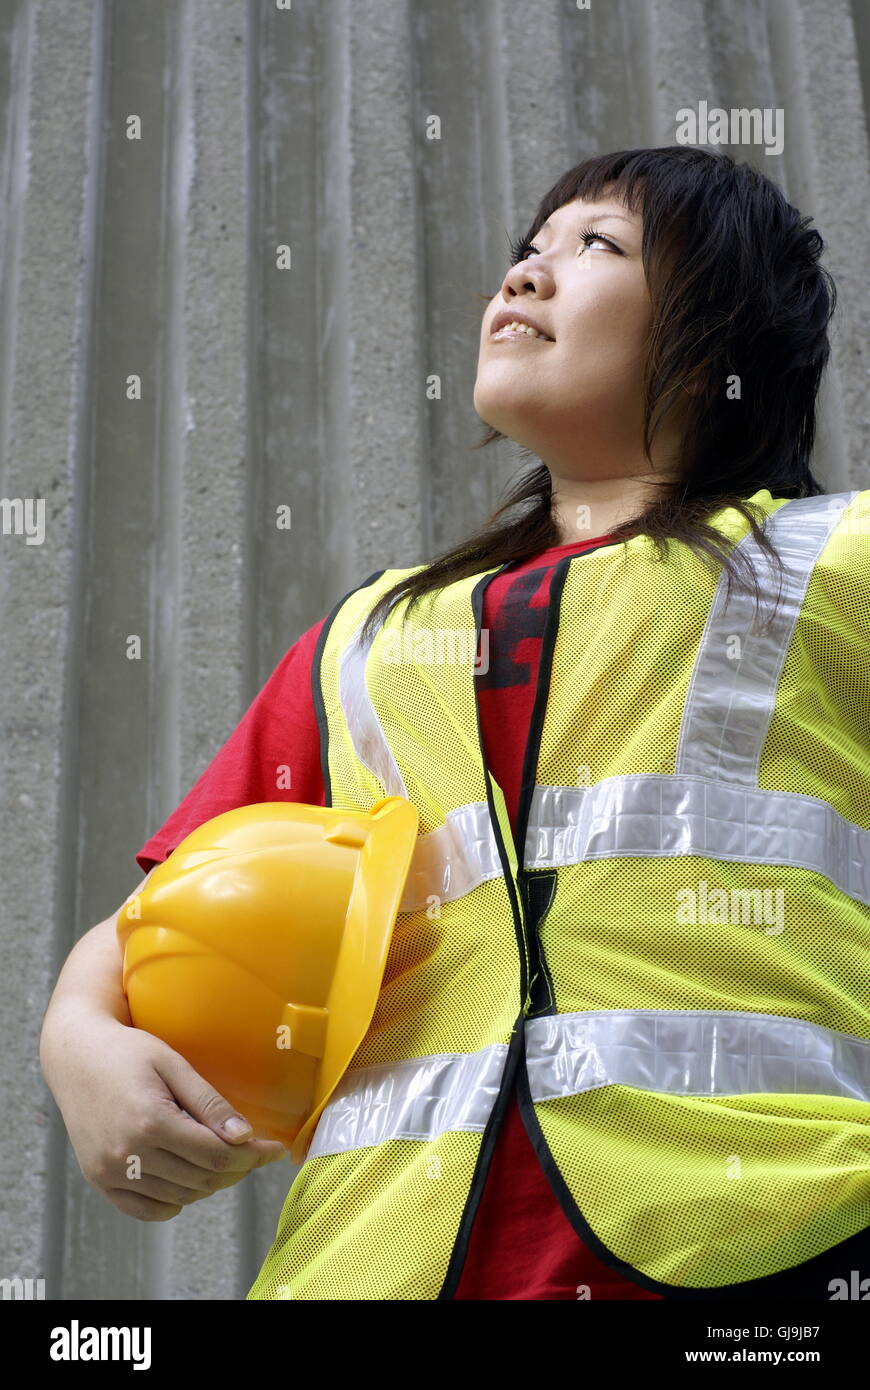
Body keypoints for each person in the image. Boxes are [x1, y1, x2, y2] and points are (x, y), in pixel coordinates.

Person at [39, 146, 870, 1301]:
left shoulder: (833, 562)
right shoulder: (366, 639)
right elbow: (163, 910)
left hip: (763, 1249)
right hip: (370, 1265)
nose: (526, 276)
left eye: (597, 246)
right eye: (527, 248)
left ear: (720, 338)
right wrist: (76, 1035)